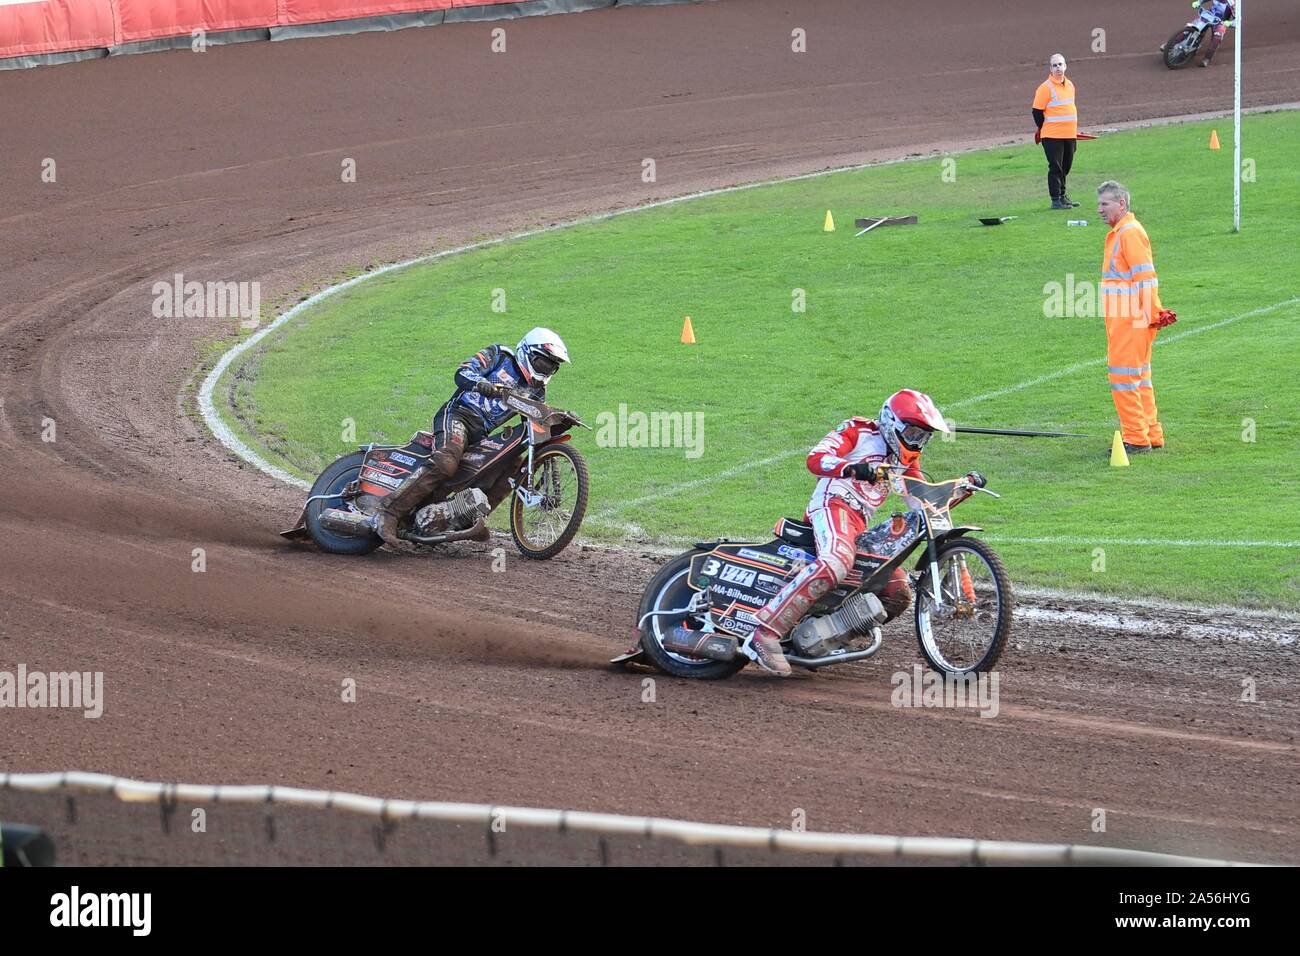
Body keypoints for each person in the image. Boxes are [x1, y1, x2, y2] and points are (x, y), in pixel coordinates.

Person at [746, 390, 964, 676]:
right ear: (891, 423)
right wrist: (855, 468)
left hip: (858, 526)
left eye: (922, 437)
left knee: (897, 591)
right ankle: (765, 632)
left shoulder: (906, 462)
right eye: (911, 433)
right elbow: (815, 459)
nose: (916, 442)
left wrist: (961, 489)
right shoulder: (858, 431)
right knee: (838, 559)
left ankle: (823, 638)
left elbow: (921, 503)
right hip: (832, 506)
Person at [371, 327, 570, 546]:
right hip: (458, 415)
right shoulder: (499, 355)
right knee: (446, 462)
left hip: (482, 432)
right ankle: (388, 513)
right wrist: (480, 384)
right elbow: (463, 372)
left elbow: (531, 426)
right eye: (544, 363)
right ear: (527, 352)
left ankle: (468, 519)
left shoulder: (537, 391)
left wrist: (555, 423)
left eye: (553, 367)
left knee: (513, 466)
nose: (547, 369)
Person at [1097, 181, 1175, 456]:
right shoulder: (1123, 232)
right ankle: (1150, 434)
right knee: (1139, 378)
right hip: (1129, 320)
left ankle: (1136, 439)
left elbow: (1145, 277)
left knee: (1123, 378)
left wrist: (1153, 313)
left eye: (1105, 204)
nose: (1099, 210)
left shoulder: (1129, 233)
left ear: (1122, 204)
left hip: (1131, 320)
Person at [1032, 54, 1080, 210]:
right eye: (1055, 65)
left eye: (1060, 64)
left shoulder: (1070, 85)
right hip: (1052, 135)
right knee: (1055, 167)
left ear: (1065, 66)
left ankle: (1062, 196)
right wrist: (1044, 128)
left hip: (1069, 134)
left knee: (1066, 166)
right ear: (1050, 69)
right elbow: (1037, 112)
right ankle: (1055, 200)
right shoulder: (1045, 88)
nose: (1058, 67)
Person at [1162, 1, 1236, 67]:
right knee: (1190, 26)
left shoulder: (1233, 3)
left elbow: (1237, 20)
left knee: (1217, 38)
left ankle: (1207, 58)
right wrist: (1199, 2)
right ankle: (1170, 44)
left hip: (1221, 22)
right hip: (1209, 15)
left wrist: (1230, 23)